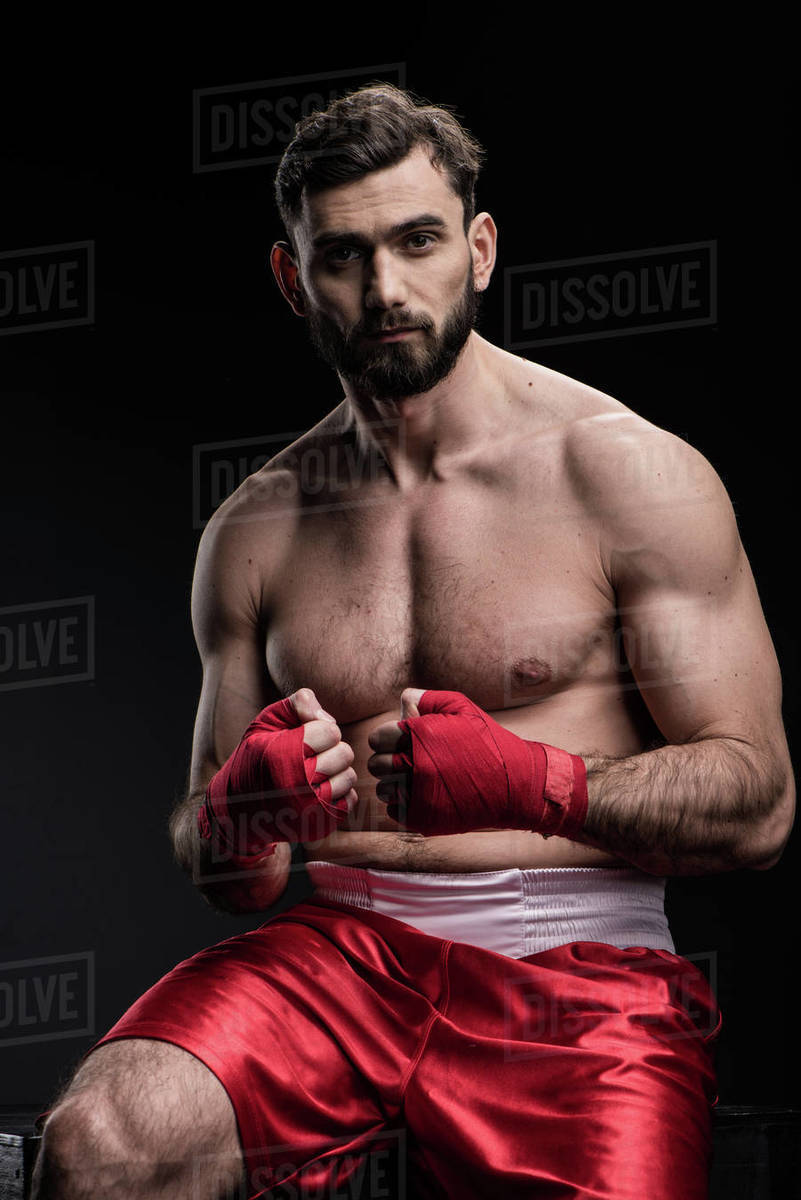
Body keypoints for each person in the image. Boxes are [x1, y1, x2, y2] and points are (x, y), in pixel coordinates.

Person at [32, 83, 794, 1200]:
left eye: (418, 240)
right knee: (101, 1147)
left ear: (479, 251)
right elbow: (231, 872)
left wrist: (538, 784)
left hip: (575, 970)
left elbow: (760, 803)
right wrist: (250, 810)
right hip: (338, 962)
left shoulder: (629, 476)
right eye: (342, 256)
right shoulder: (255, 526)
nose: (385, 289)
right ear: (294, 281)